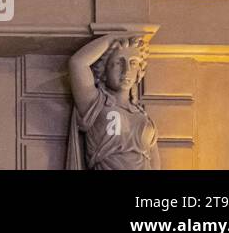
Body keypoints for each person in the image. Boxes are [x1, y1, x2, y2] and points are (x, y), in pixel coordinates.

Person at [66, 32, 159, 170]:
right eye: (118, 63)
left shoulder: (143, 117)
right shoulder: (95, 103)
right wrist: (115, 37)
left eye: (133, 63)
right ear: (103, 70)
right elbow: (77, 63)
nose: (126, 70)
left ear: (140, 70)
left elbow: (154, 163)